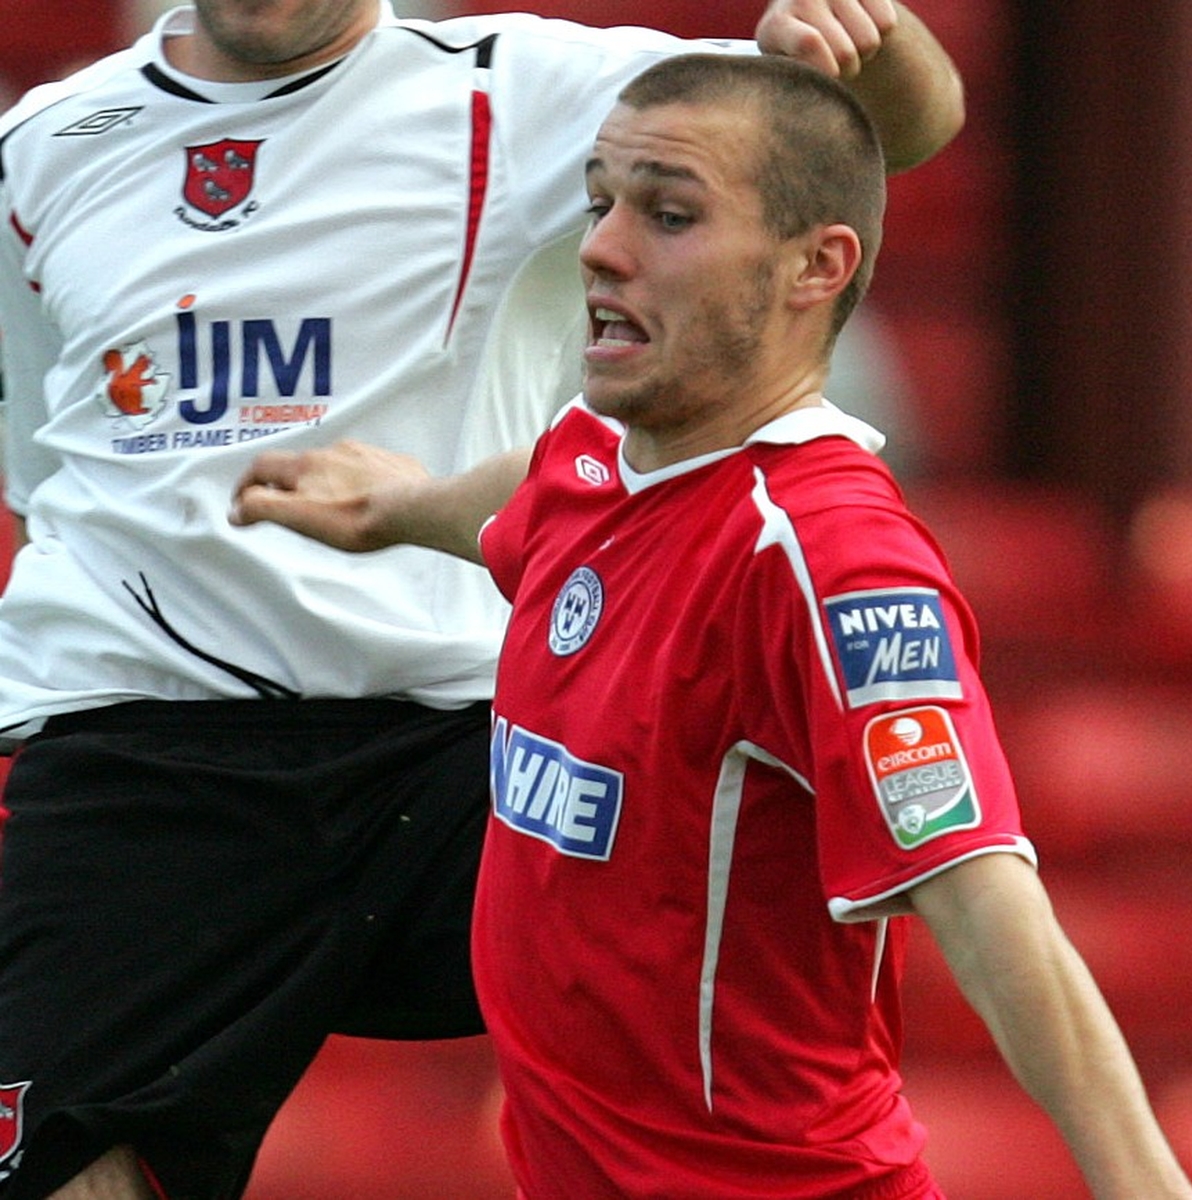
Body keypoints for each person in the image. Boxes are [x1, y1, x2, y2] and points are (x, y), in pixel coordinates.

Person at [0, 2, 964, 1196]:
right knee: (66, 1172)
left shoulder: (526, 86)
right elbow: (48, 456)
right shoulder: (44, 146)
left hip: (466, 745)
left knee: (709, 1046)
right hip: (149, 747)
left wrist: (864, 36)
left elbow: (896, 130)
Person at [231, 52, 1192, 1199]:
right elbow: (541, 496)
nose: (601, 247)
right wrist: (400, 507)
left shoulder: (830, 560)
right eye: (600, 202)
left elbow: (989, 906)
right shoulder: (602, 455)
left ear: (814, 267)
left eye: (670, 214)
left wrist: (1148, 1186)